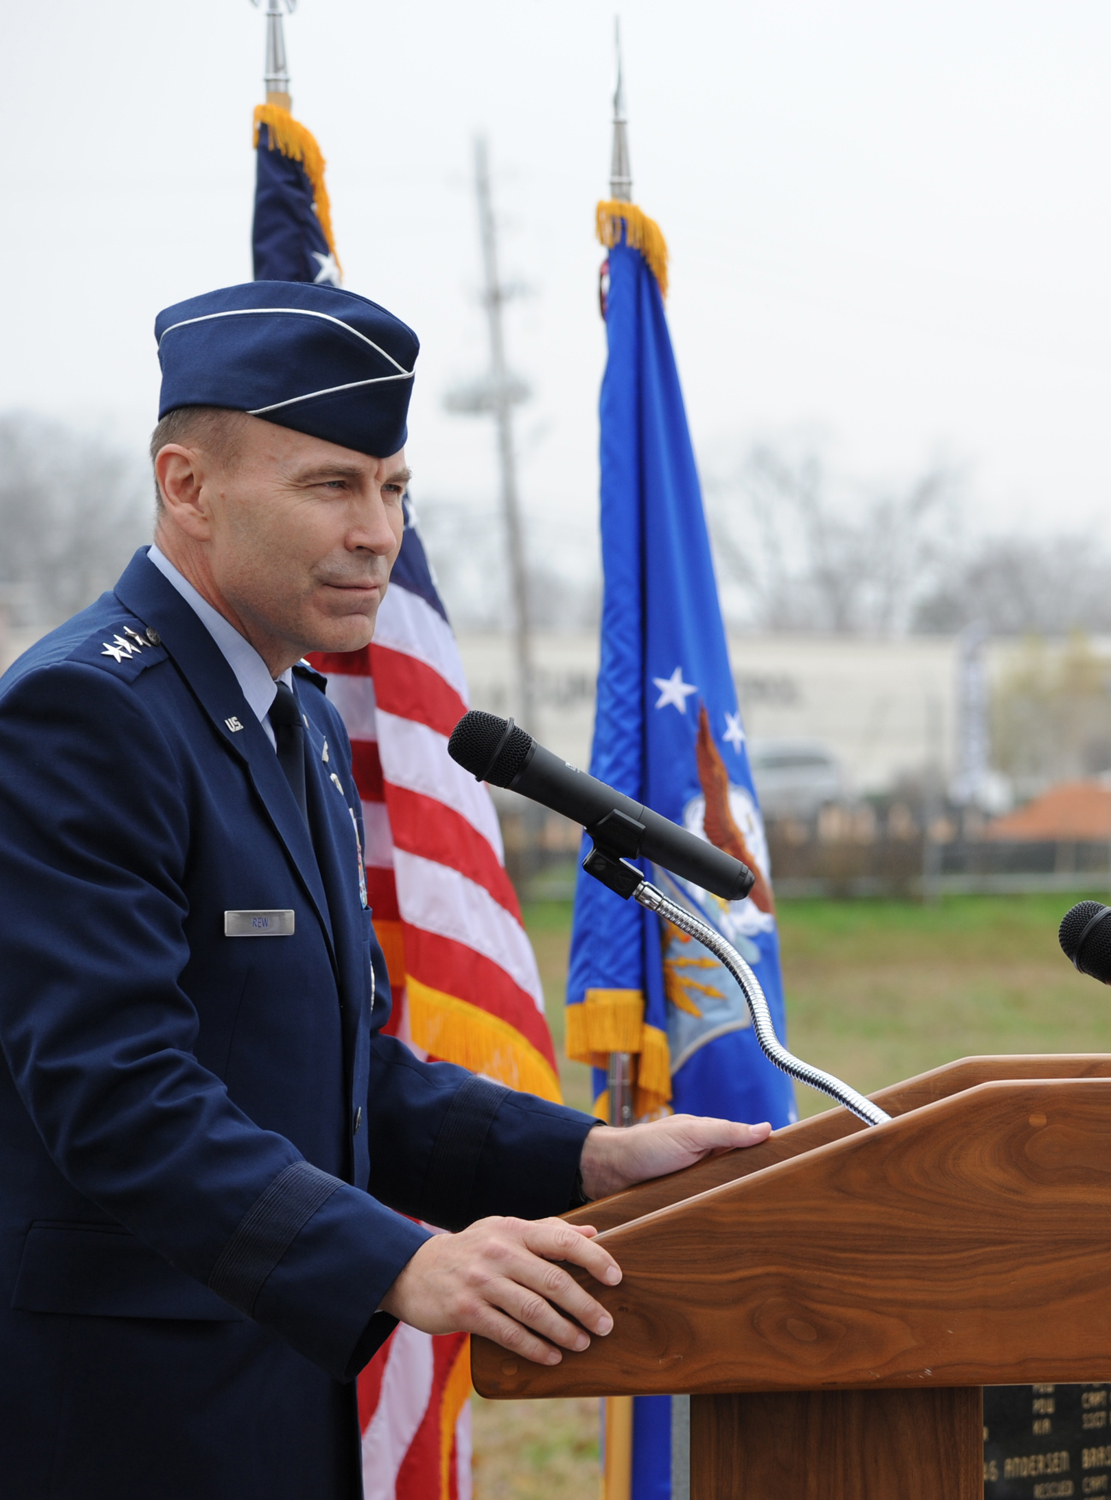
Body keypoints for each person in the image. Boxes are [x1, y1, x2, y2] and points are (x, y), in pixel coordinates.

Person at [0, 280, 771, 1498]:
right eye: (331, 485)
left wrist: (590, 1158)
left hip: (281, 1390)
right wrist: (397, 1265)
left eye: (395, 488)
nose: (379, 532)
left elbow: (349, 1082)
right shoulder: (85, 714)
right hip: (125, 1416)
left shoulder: (296, 718)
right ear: (186, 485)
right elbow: (115, 1092)